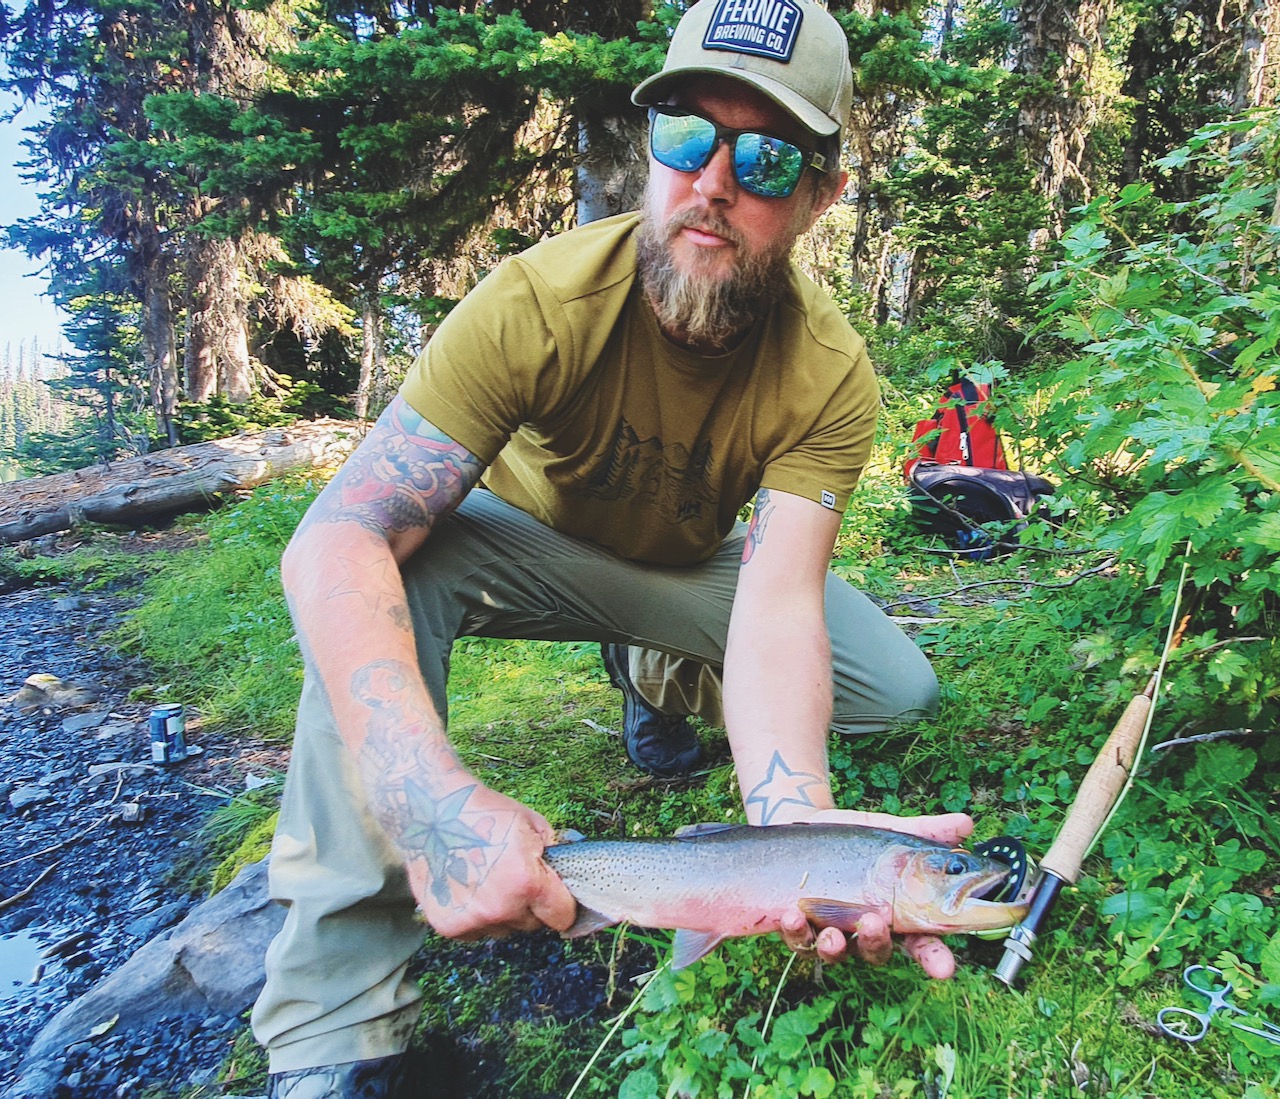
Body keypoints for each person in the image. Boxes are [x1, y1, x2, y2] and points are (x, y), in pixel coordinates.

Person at [252, 1, 967, 1094]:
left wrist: (787, 824)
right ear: (651, 147)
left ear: (820, 195)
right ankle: (333, 1022)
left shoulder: (828, 369)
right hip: (514, 547)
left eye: (768, 158)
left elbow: (776, 604)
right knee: (384, 571)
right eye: (687, 134)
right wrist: (430, 798)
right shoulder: (536, 300)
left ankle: (654, 674)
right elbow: (335, 535)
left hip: (688, 570)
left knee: (894, 683)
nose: (714, 181)